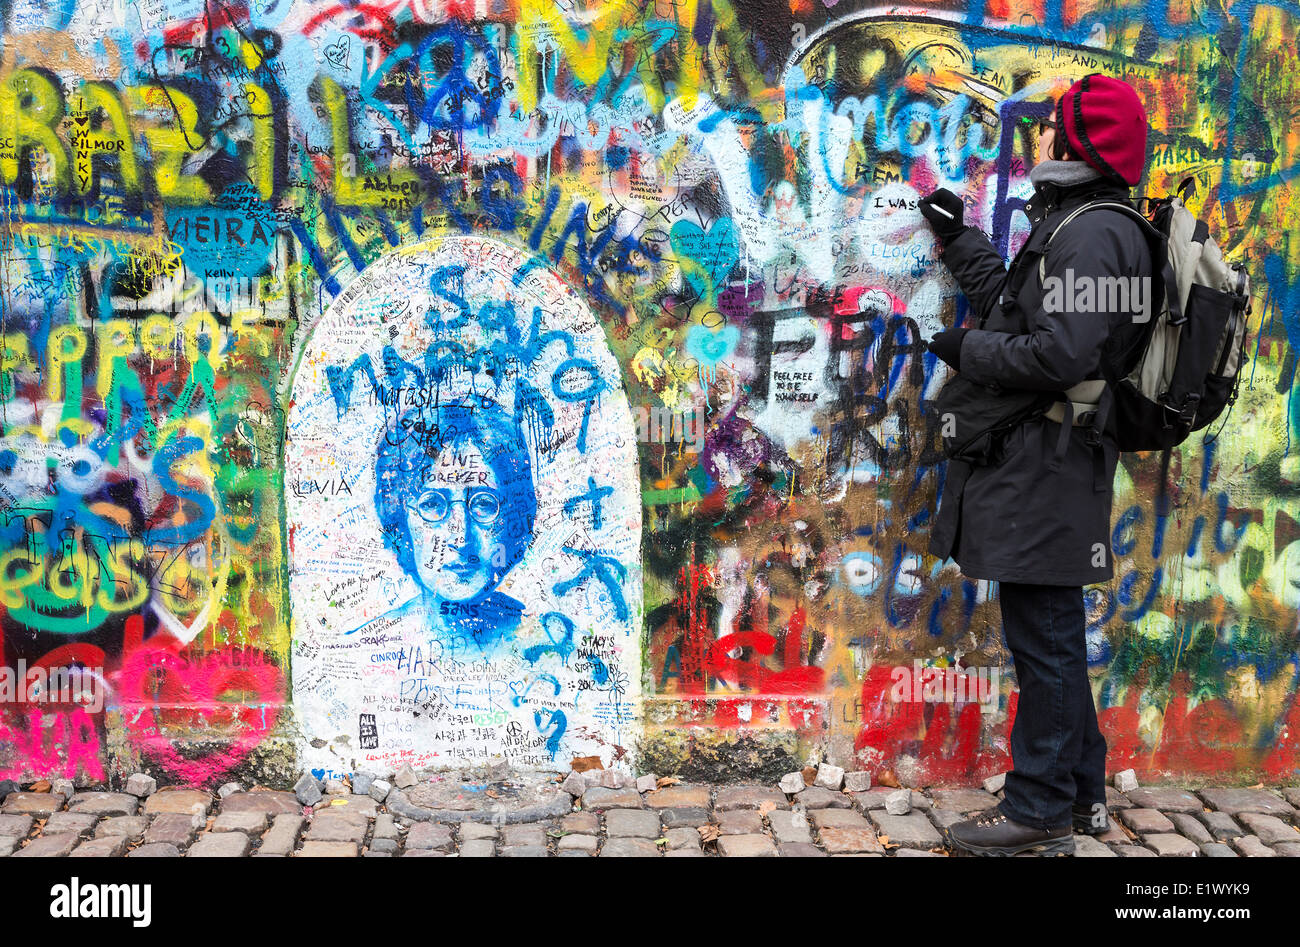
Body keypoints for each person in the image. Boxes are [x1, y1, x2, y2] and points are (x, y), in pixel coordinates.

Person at [919, 74, 1153, 856]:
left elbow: (1059, 352)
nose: (1041, 137)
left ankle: (1040, 808)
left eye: (1052, 126)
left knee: (1045, 640)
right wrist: (961, 242)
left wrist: (965, 349)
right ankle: (1082, 793)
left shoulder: (1096, 233)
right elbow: (1025, 312)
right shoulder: (1077, 222)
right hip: (1042, 462)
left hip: (1051, 465)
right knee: (1047, 636)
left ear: (1078, 143)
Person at [364, 398, 536, 653]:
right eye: (432, 504)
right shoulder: (364, 649)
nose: (461, 536)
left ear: (513, 517)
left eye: (484, 504)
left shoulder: (549, 644)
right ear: (401, 521)